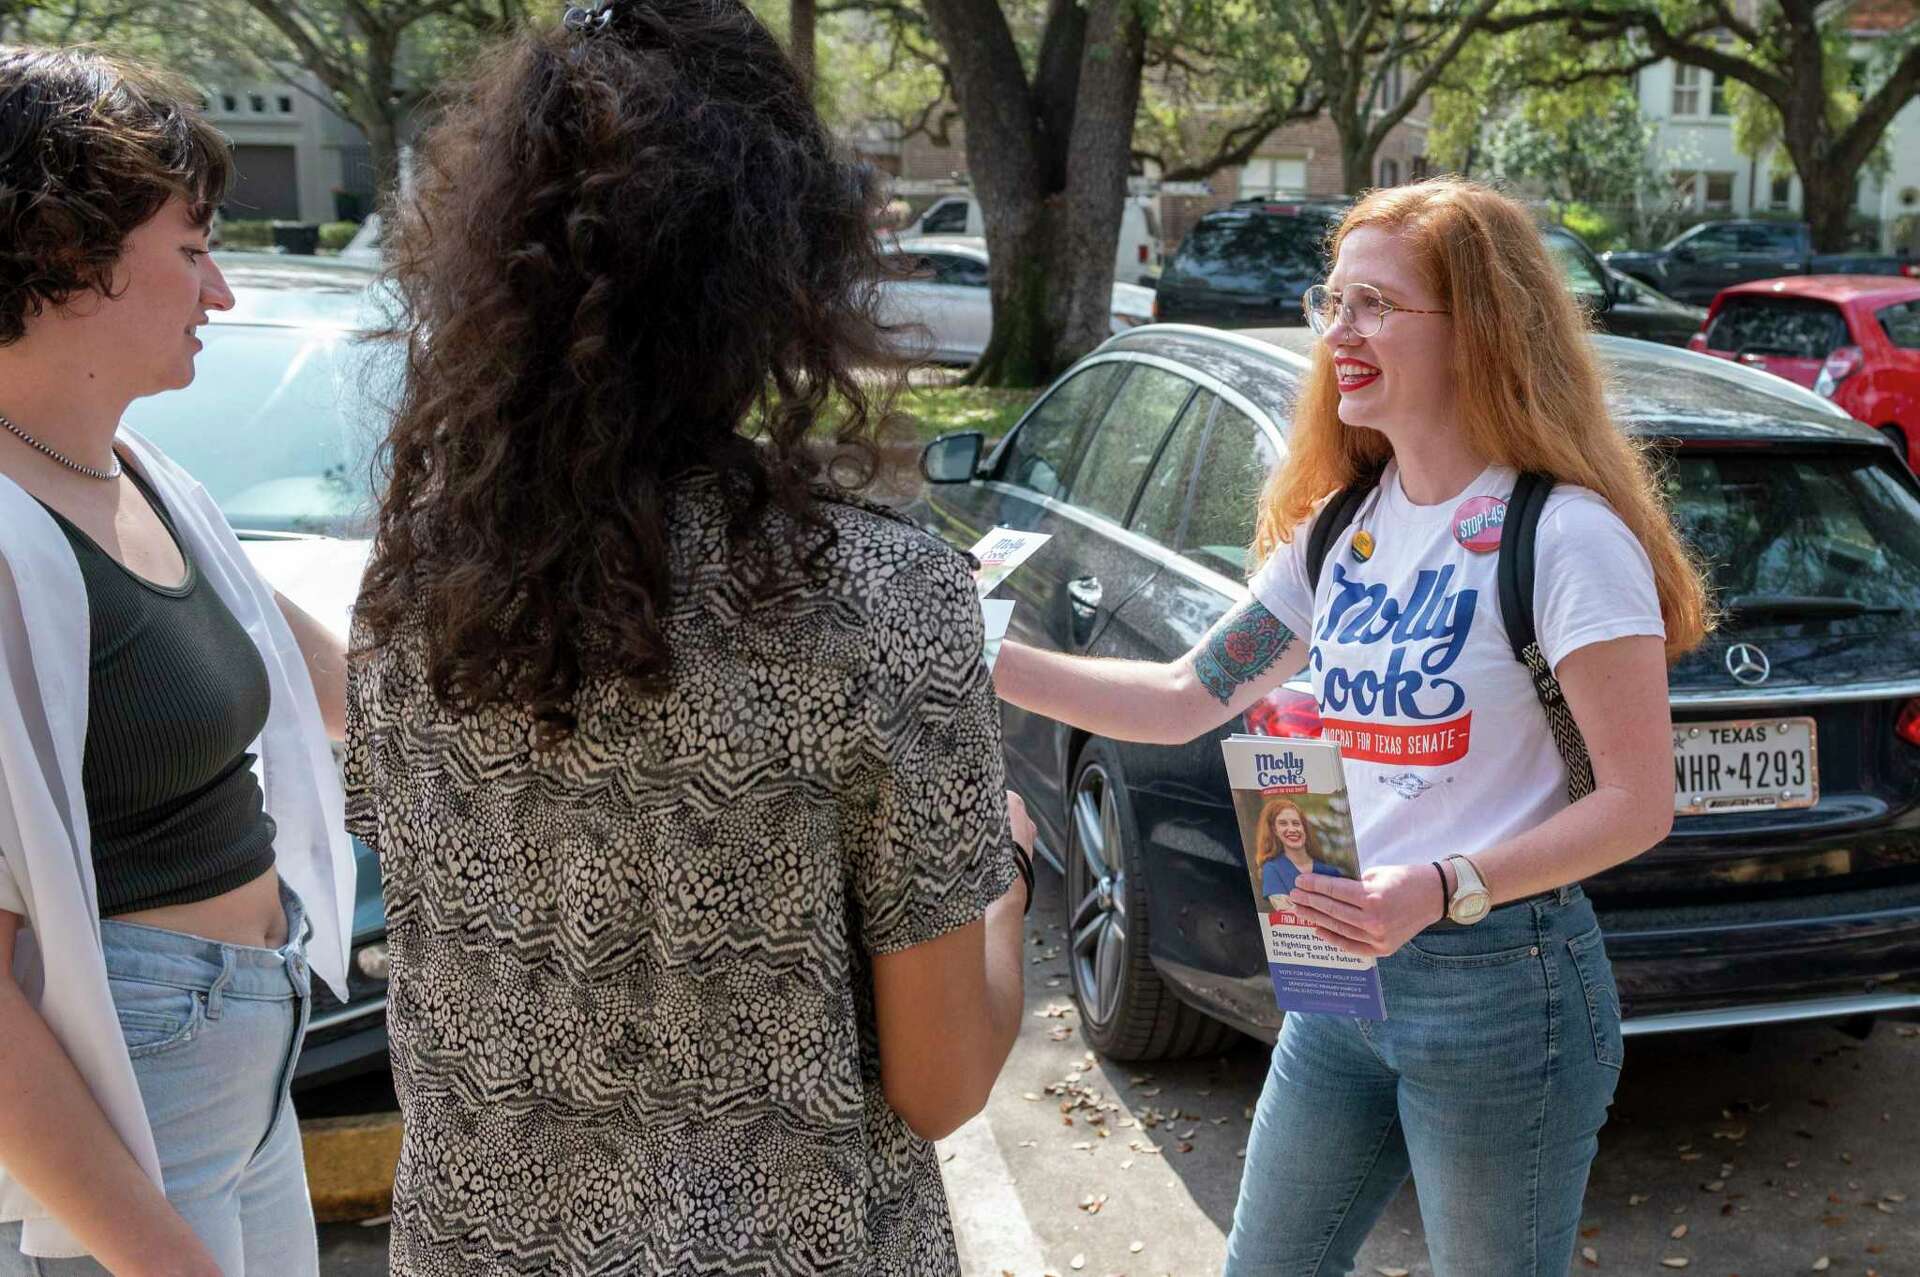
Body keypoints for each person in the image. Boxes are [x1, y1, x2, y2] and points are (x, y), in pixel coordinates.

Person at [341, 3, 1032, 1273]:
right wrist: (1009, 883)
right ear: (780, 266)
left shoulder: (411, 592)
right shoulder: (876, 599)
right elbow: (943, 1084)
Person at [993, 176, 1710, 1276]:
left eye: (1375, 304)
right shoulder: (1344, 531)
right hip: (1341, 979)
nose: (1340, 333)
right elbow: (1185, 694)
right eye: (1332, 303)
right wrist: (972, 654)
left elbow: (1637, 803)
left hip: (1501, 984)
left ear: (1478, 331)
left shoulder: (1565, 537)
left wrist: (1432, 887)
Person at [0, 47, 356, 1276]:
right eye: (193, 248)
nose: (221, 294)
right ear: (62, 252)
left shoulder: (146, 476)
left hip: (241, 1055)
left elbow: (348, 693)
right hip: (122, 1097)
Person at [1252, 798, 1338, 910]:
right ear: (1274, 831)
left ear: (1304, 828)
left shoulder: (1330, 871)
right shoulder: (1272, 869)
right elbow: (1287, 911)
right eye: (1283, 824)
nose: (1292, 829)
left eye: (1296, 823)